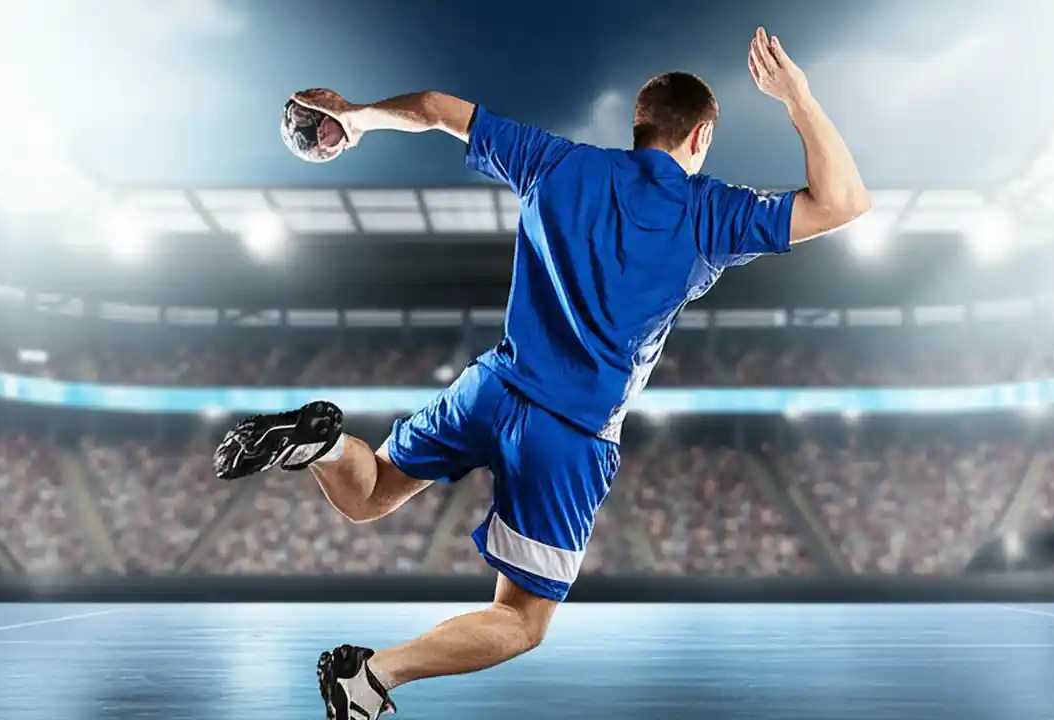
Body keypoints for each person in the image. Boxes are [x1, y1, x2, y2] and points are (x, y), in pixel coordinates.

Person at [213, 27, 869, 719]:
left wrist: (357, 116)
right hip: (571, 434)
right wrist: (796, 98)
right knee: (522, 620)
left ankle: (320, 445)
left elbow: (435, 108)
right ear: (701, 136)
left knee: (368, 491)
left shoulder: (555, 163)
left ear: (639, 126)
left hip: (494, 385)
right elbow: (843, 202)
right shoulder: (711, 212)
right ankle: (373, 676)